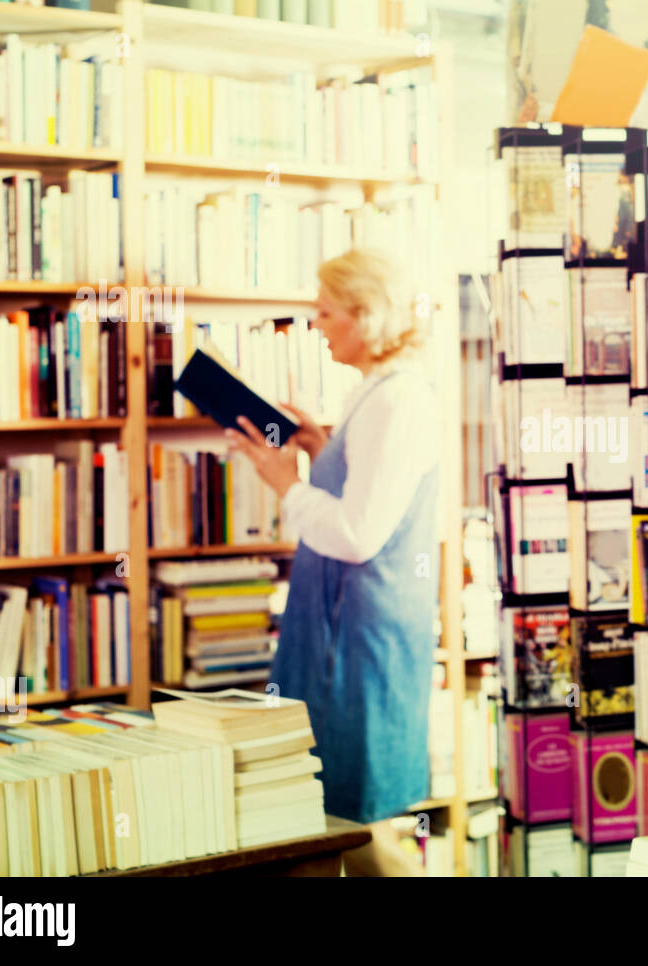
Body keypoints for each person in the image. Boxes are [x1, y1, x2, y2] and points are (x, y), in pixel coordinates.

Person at [226, 248, 440, 875]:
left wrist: (284, 481)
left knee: (334, 819)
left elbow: (357, 533)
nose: (315, 325)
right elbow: (363, 493)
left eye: (325, 312)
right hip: (343, 630)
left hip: (354, 640)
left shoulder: (398, 402)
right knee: (336, 820)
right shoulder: (378, 394)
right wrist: (320, 448)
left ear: (365, 316)